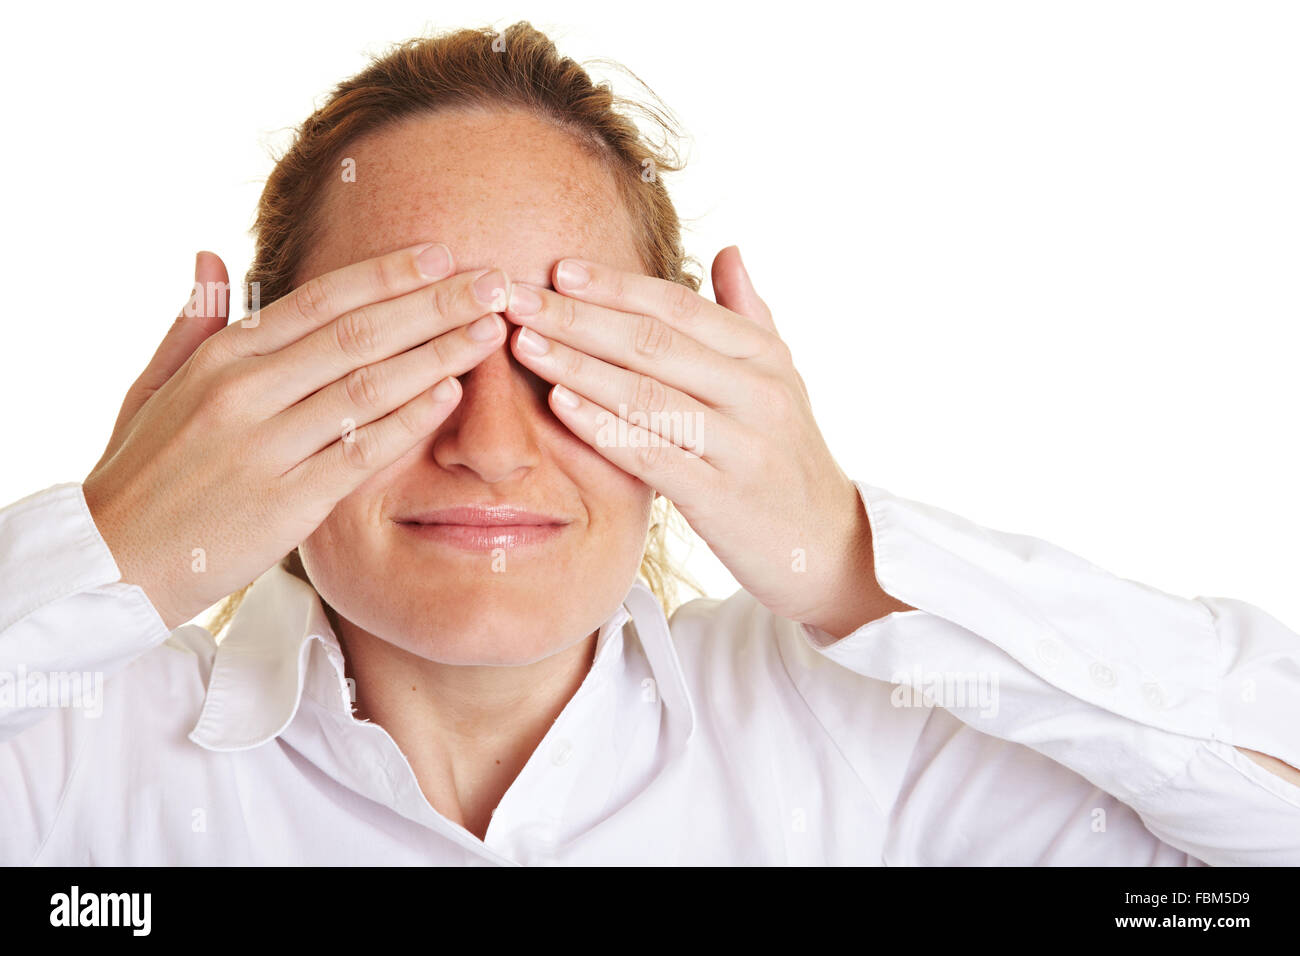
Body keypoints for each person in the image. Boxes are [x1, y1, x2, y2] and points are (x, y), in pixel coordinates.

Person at [1, 21, 1297, 866]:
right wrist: (114, 553)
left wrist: (848, 559)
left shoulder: (873, 746)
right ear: (249, 393)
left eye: (574, 353)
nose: (492, 445)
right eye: (402, 354)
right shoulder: (73, 754)